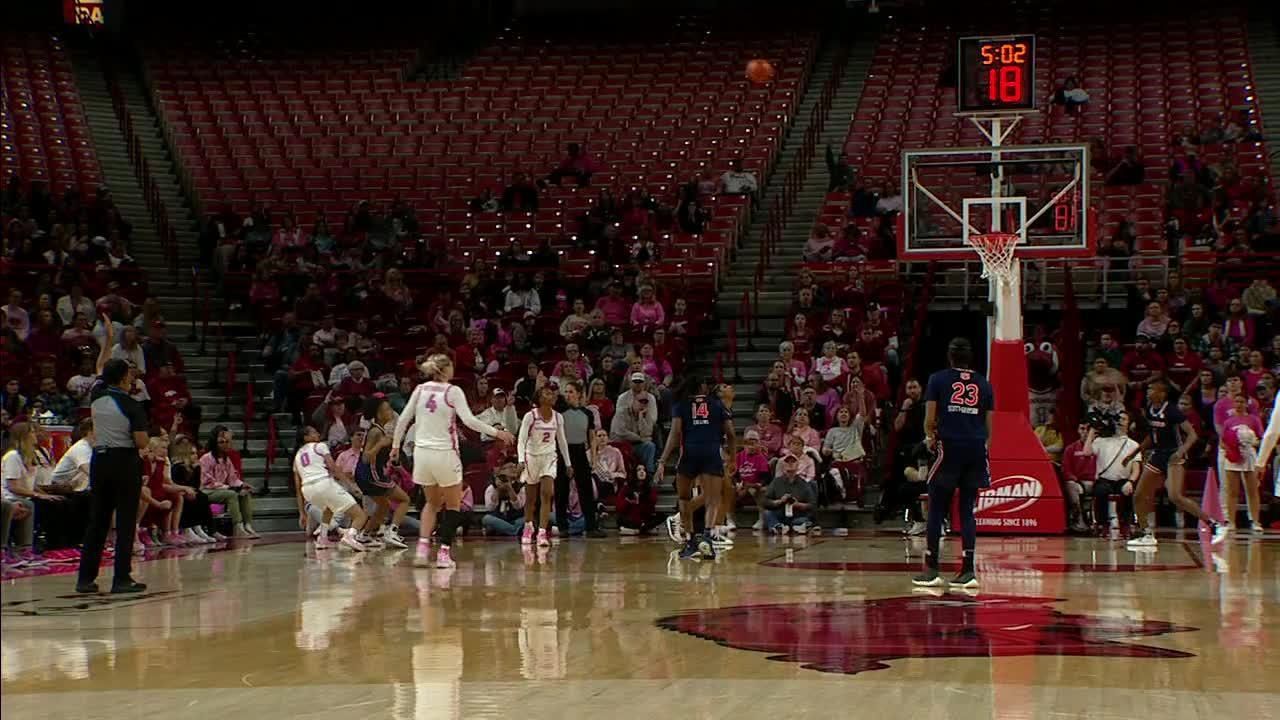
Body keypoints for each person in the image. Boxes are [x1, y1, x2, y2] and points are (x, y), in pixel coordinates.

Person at [391, 354, 515, 569]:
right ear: (447, 370)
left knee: (431, 503)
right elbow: (469, 421)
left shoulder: (420, 390)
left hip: (422, 454)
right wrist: (497, 432)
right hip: (444, 453)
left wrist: (395, 446)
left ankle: (422, 549)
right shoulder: (452, 391)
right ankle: (444, 553)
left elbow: (402, 419)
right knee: (453, 504)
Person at [913, 338, 993, 590]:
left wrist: (930, 437)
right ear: (971, 358)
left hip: (949, 447)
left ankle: (932, 569)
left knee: (937, 508)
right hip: (976, 447)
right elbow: (989, 425)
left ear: (950, 356)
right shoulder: (984, 383)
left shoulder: (938, 379)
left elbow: (929, 419)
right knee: (967, 509)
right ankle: (968, 570)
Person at [74, 356, 151, 594]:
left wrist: (107, 337)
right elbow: (140, 441)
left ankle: (85, 579)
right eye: (129, 374)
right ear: (122, 378)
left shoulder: (96, 394)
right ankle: (121, 578)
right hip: (124, 462)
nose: (132, 378)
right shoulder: (131, 405)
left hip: (100, 460)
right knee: (126, 521)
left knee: (97, 520)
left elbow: (99, 368)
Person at [1124, 380, 1219, 550]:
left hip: (1174, 454)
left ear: (1162, 393)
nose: (1148, 392)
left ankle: (1212, 523)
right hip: (1158, 454)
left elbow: (1192, 435)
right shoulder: (1149, 410)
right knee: (1139, 494)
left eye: (1153, 388)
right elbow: (1152, 436)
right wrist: (1134, 453)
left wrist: (1181, 452)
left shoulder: (1172, 411)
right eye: (1148, 389)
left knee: (1175, 496)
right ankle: (1145, 533)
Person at [657, 376, 736, 560]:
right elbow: (731, 434)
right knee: (713, 499)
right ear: (702, 386)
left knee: (684, 497)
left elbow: (675, 434)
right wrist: (733, 458)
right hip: (710, 453)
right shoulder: (717, 405)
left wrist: (662, 460)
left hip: (689, 454)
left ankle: (691, 541)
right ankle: (708, 537)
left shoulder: (681, 404)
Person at [293, 426, 369, 552]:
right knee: (360, 515)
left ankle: (322, 538)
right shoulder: (320, 446)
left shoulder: (297, 455)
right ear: (306, 437)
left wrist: (302, 512)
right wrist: (351, 485)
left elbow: (297, 485)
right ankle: (350, 536)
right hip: (323, 484)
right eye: (313, 432)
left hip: (307, 490)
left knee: (328, 508)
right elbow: (333, 467)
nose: (317, 433)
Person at [517, 386, 572, 547]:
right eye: (547, 393)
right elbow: (521, 439)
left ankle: (542, 532)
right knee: (531, 498)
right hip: (531, 457)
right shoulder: (530, 416)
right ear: (539, 398)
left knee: (547, 493)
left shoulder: (558, 417)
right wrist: (521, 460)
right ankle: (528, 526)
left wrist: (568, 463)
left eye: (553, 393)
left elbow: (562, 441)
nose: (552, 395)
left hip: (549, 457)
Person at [357, 397, 412, 549]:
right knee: (405, 500)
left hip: (364, 474)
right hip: (371, 474)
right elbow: (366, 457)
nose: (391, 412)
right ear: (379, 414)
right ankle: (391, 532)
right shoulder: (376, 432)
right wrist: (381, 444)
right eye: (387, 409)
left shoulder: (377, 429)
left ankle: (365, 536)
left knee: (384, 506)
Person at [558, 381, 604, 538]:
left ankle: (591, 527)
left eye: (571, 391)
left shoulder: (588, 413)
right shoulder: (559, 412)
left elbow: (591, 437)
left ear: (579, 394)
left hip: (580, 451)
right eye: (566, 391)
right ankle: (562, 527)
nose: (567, 394)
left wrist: (593, 457)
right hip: (563, 452)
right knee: (561, 490)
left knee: (586, 491)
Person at [1218, 393, 1265, 537]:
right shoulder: (1228, 422)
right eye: (1236, 401)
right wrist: (1232, 450)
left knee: (1252, 490)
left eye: (1241, 402)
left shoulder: (1254, 420)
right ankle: (1231, 522)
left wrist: (1249, 442)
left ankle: (1255, 521)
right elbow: (1222, 441)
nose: (1238, 404)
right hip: (1233, 457)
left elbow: (1260, 438)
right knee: (1232, 491)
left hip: (1249, 455)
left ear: (1246, 404)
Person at [199, 426, 258, 538]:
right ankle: (237, 527)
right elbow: (208, 481)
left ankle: (248, 525)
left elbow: (232, 478)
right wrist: (229, 488)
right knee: (231, 494)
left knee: (244, 493)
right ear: (214, 443)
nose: (225, 444)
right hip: (207, 491)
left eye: (227, 442)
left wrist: (241, 485)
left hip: (222, 489)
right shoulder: (206, 458)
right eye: (221, 442)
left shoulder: (226, 459)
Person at [761, 454, 817, 534]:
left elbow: (812, 504)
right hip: (780, 513)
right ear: (783, 466)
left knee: (804, 520)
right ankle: (778, 527)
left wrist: (798, 504)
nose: (790, 464)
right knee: (768, 513)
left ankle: (794, 527)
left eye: (793, 462)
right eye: (787, 462)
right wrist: (779, 501)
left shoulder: (804, 483)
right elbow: (765, 501)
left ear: (797, 465)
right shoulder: (776, 482)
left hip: (797, 514)